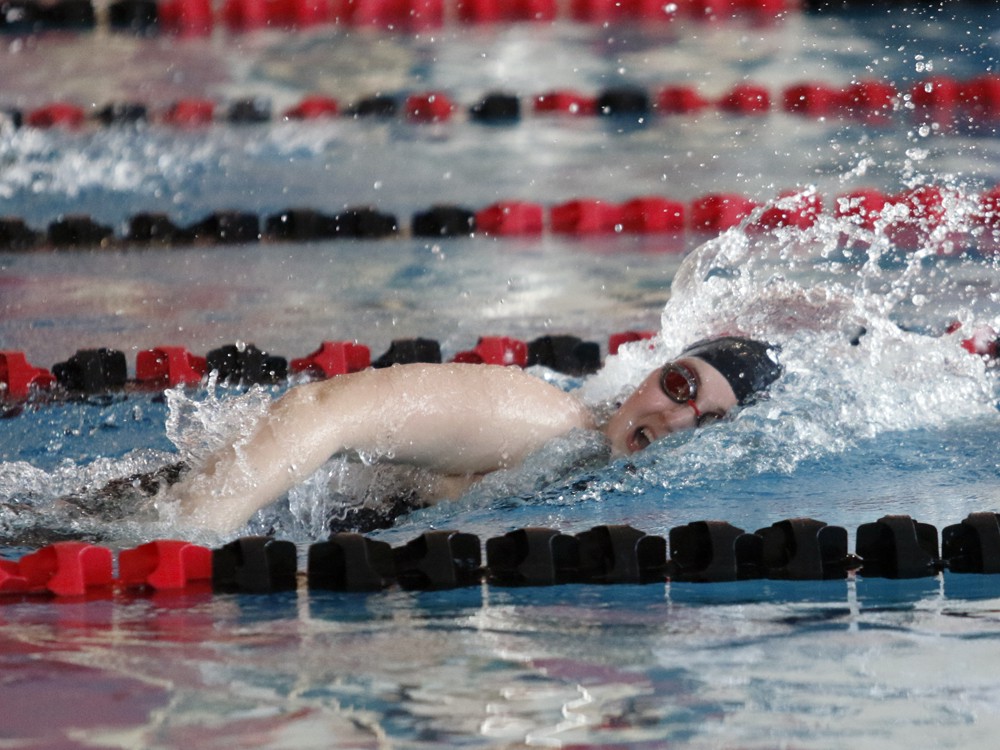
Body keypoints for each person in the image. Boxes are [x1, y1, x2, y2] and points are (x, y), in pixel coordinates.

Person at [170, 335, 782, 534]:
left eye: (708, 421)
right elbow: (319, 410)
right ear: (649, 370)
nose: (676, 419)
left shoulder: (588, 474)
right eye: (679, 385)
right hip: (182, 522)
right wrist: (188, 535)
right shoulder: (543, 419)